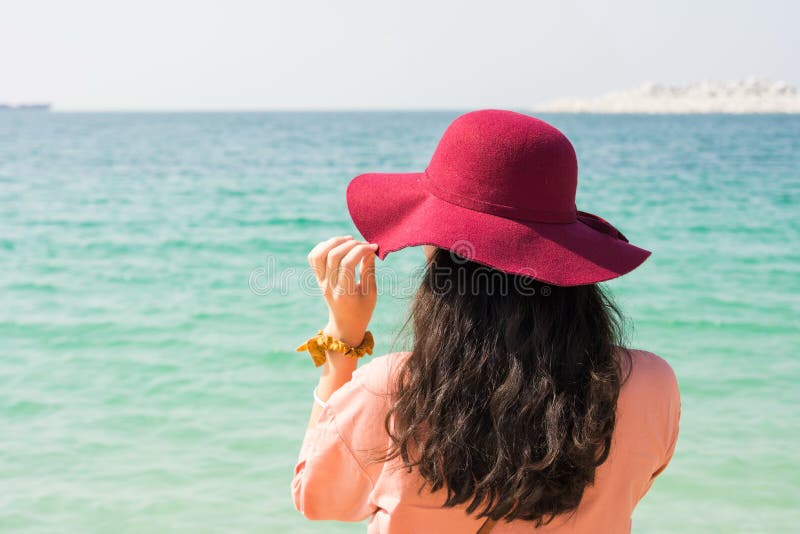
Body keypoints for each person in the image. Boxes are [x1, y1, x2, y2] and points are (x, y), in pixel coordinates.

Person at [291, 110, 680, 533]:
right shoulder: (649, 384)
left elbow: (315, 497)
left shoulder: (392, 391)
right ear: (567, 259)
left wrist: (342, 337)